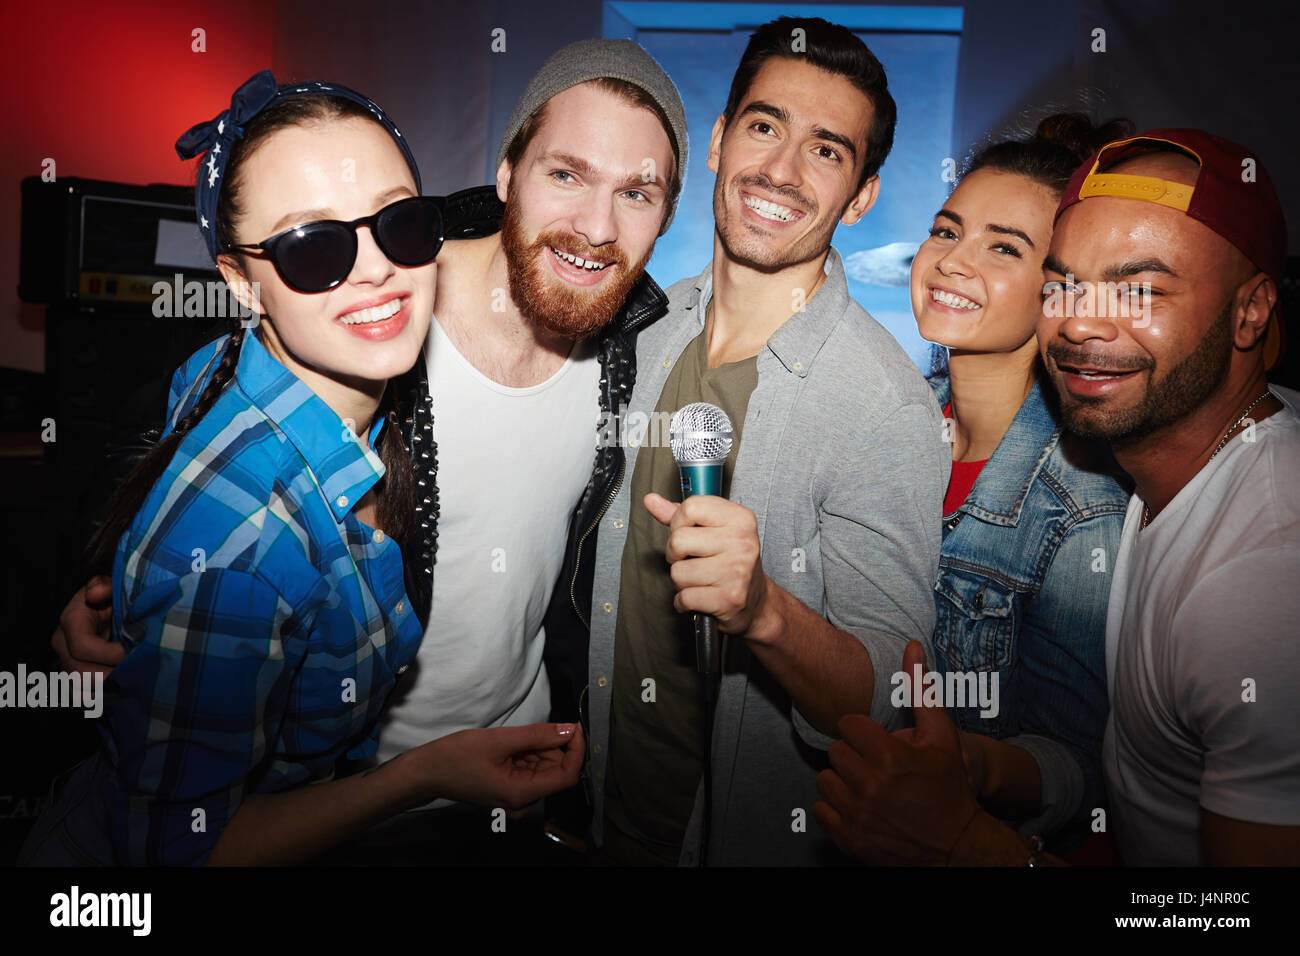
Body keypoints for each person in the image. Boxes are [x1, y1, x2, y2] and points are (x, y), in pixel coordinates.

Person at [49, 41, 687, 862]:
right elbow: (169, 459)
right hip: (355, 799)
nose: (596, 226)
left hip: (507, 777)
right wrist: (106, 599)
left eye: (636, 192)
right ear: (506, 176)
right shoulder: (373, 335)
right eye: (565, 174)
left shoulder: (636, 340)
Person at [812, 127, 1300, 866]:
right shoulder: (1168, 471)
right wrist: (975, 768)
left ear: (1250, 310)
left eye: (1139, 288)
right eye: (1064, 283)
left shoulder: (1258, 585)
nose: (1079, 321)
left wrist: (965, 845)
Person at [585, 16, 949, 866]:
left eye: (826, 150)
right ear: (717, 141)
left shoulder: (882, 403)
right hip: (597, 815)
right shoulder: (643, 329)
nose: (781, 171)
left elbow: (889, 693)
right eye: (764, 127)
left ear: (861, 196)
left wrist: (765, 612)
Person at [912, 114, 1132, 852]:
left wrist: (967, 767)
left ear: (1059, 292)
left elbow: (1083, 770)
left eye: (1003, 247)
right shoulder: (892, 424)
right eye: (947, 231)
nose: (952, 261)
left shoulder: (1078, 507)